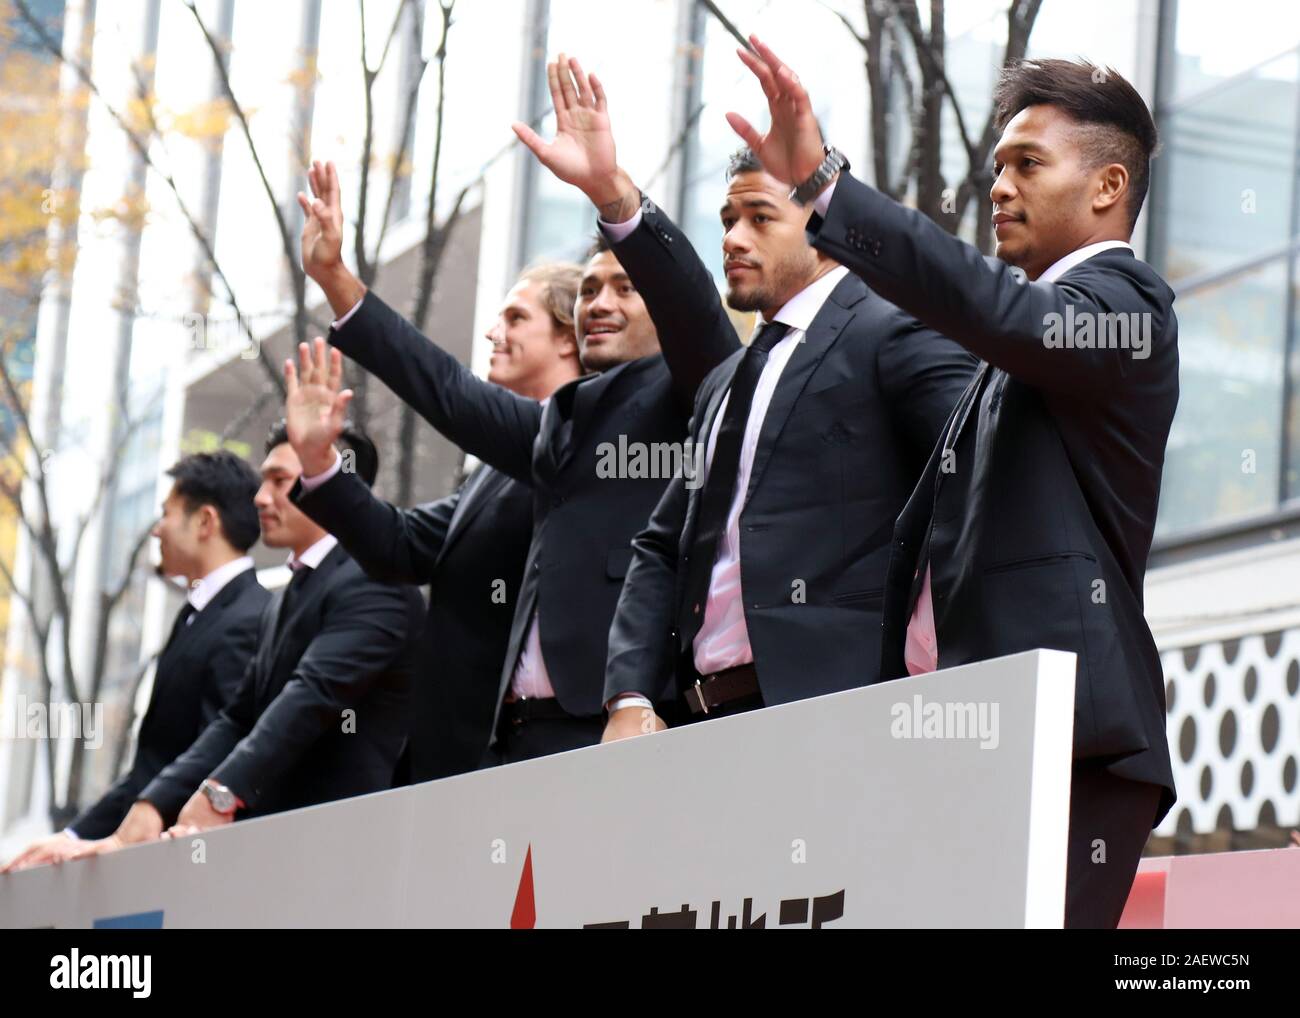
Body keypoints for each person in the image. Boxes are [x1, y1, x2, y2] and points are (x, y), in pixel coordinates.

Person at [728, 38, 1177, 927]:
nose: (998, 187)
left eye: (1027, 164)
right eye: (995, 166)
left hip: (1067, 748)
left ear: (1107, 188)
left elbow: (1001, 312)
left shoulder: (1126, 311)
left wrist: (826, 187)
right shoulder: (1014, 348)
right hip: (960, 743)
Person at [512, 55, 974, 736]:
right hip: (700, 725)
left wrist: (934, 678)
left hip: (838, 723)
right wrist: (631, 698)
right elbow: (662, 545)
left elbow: (972, 484)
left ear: (823, 227)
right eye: (727, 218)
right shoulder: (727, 382)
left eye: (759, 218)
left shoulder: (891, 328)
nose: (731, 238)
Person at [293, 148, 738, 765]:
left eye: (625, 288)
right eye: (588, 290)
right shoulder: (556, 426)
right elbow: (448, 402)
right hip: (507, 740)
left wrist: (613, 195)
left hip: (619, 726)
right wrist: (336, 283)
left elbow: (694, 310)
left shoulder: (694, 389)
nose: (600, 303)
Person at [64, 422, 423, 852]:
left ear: (333, 482)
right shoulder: (287, 597)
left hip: (341, 854)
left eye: (279, 481)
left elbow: (310, 697)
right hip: (276, 855)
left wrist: (218, 794)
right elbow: (236, 719)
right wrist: (151, 808)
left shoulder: (375, 579)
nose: (260, 497)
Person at [288, 262, 583, 781]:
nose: (495, 332)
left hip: (525, 761)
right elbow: (399, 546)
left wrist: (338, 281)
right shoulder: (494, 473)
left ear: (569, 338)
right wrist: (317, 461)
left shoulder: (580, 445)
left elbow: (449, 392)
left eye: (516, 318)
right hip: (451, 761)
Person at [2, 452, 268, 872]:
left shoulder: (249, 619)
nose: (157, 529)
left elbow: (218, 754)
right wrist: (73, 835)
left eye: (167, 514)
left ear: (205, 522)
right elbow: (154, 765)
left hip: (190, 864)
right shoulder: (197, 615)